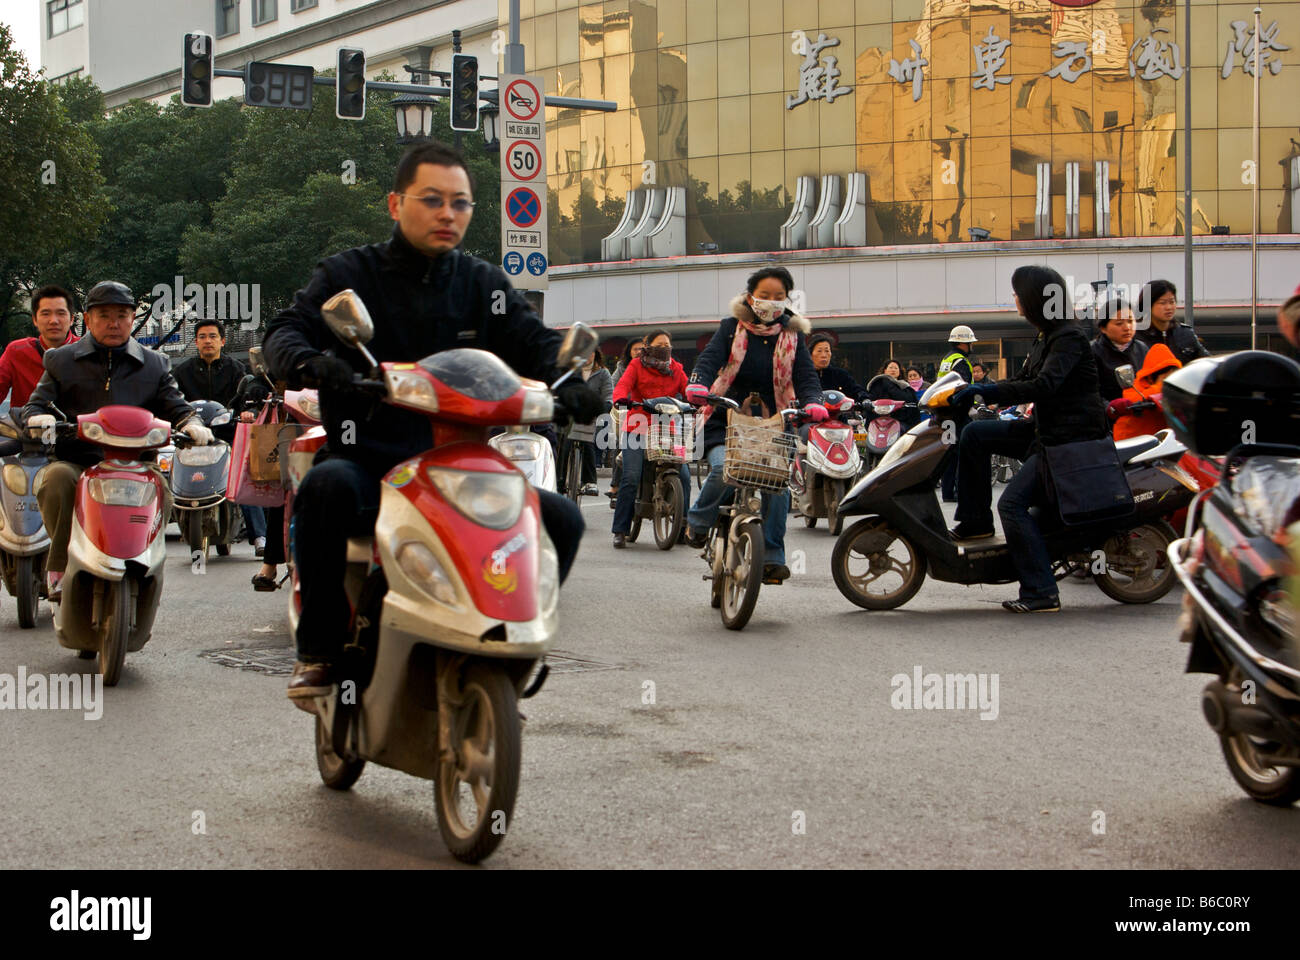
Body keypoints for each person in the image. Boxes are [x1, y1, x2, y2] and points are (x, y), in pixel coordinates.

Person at [262, 140, 602, 704]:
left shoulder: (482, 284)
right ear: (395, 203)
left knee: (562, 519)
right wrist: (308, 361)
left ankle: (516, 644)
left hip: (463, 468)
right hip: (370, 456)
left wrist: (575, 385)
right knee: (324, 488)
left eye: (461, 203)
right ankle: (319, 652)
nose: (448, 214)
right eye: (433, 200)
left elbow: (533, 342)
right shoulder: (350, 274)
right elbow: (287, 328)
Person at [22, 281, 213, 599]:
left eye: (122, 315)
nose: (113, 322)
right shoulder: (61, 360)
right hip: (78, 461)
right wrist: (37, 418)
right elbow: (36, 404)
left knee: (162, 494)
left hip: (137, 465)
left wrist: (192, 424)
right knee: (54, 480)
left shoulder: (155, 364)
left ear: (133, 317)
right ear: (87, 318)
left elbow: (177, 406)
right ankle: (59, 566)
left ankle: (145, 565)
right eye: (104, 315)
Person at [949, 265, 1109, 613]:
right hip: (1043, 429)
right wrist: (974, 391)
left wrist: (985, 389)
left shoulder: (1068, 338)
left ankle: (1041, 591)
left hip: (1066, 440)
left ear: (1036, 298)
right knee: (975, 434)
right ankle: (975, 522)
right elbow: (1022, 379)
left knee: (1011, 505)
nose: (1015, 299)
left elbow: (1044, 386)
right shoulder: (1045, 337)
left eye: (1018, 292)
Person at [682, 266, 825, 581]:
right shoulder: (731, 327)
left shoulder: (793, 334)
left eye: (779, 297)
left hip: (774, 422)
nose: (771, 302)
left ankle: (772, 555)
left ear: (787, 300)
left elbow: (805, 375)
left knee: (777, 484)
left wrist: (814, 400)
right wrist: (698, 385)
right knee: (723, 468)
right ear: (751, 297)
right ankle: (698, 522)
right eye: (764, 295)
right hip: (726, 418)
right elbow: (708, 360)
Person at [171, 319, 263, 554]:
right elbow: (171, 399)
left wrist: (249, 411)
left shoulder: (237, 370)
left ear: (222, 341)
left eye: (212, 336)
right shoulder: (182, 372)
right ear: (196, 342)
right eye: (202, 337)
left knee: (243, 474)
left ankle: (260, 537)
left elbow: (251, 397)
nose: (207, 341)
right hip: (192, 438)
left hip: (227, 435)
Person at [610, 329, 691, 548]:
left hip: (667, 429)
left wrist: (698, 400)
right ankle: (620, 529)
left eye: (667, 345)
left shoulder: (676, 368)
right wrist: (620, 399)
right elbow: (623, 386)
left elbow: (688, 390)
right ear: (648, 346)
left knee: (684, 476)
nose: (664, 348)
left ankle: (684, 528)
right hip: (637, 426)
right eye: (659, 345)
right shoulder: (636, 365)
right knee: (631, 476)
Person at [0, 285, 79, 454]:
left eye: (61, 313)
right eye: (45, 313)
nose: (53, 320)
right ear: (34, 320)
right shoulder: (16, 351)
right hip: (28, 443)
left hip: (78, 446)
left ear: (72, 319)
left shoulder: (87, 353)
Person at [1107, 344, 1182, 442]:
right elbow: (1133, 399)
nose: (1171, 382)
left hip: (1172, 441)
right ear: (1150, 378)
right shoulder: (1135, 388)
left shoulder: (1181, 388)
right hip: (1138, 444)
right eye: (1165, 378)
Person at [937, 325, 977, 502]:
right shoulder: (961, 361)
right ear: (963, 342)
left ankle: (947, 492)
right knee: (962, 453)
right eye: (970, 342)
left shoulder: (947, 359)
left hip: (945, 413)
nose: (972, 346)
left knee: (948, 452)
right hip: (958, 415)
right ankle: (958, 491)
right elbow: (962, 389)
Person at [1136, 279, 1210, 365]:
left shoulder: (1185, 333)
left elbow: (1206, 363)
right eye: (1162, 303)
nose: (1169, 307)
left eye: (1172, 302)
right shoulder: (1137, 337)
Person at [1091, 294, 1149, 402]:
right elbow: (1092, 392)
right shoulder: (1093, 352)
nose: (1127, 327)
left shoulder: (1142, 349)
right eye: (1119, 323)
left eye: (1130, 321)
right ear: (1103, 328)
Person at [575, 348, 612, 496]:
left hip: (591, 415)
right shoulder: (570, 371)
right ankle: (559, 479)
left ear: (595, 354)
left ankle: (590, 482)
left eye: (590, 352)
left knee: (587, 441)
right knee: (562, 441)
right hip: (570, 412)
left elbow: (608, 395)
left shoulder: (603, 373)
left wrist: (604, 406)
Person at [808, 333, 868, 402]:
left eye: (827, 351)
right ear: (810, 354)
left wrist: (865, 399)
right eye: (819, 351)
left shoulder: (840, 374)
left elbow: (856, 390)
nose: (824, 355)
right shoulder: (805, 375)